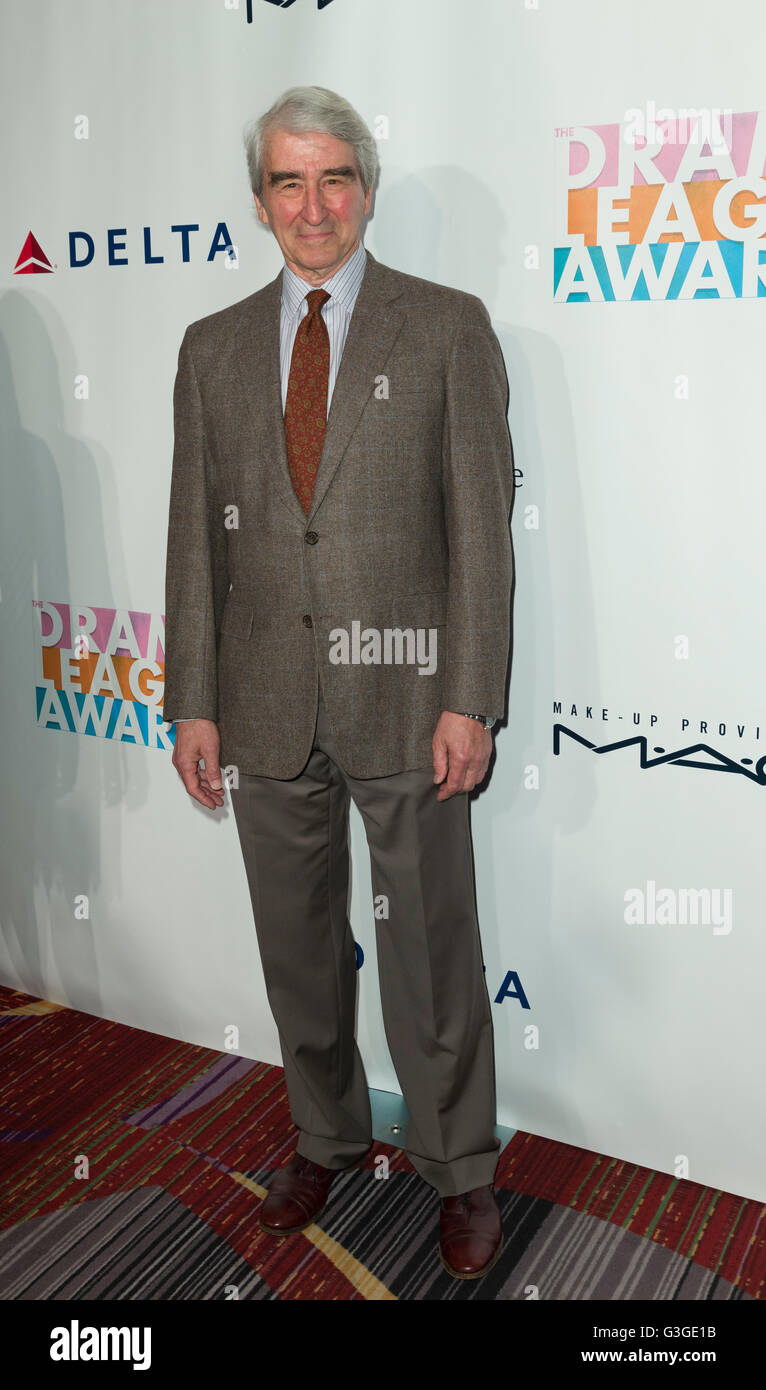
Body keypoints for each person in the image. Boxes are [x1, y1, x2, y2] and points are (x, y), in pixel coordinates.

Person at [163, 85, 515, 1280]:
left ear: (365, 186)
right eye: (286, 182)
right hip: (264, 699)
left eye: (333, 179)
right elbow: (191, 544)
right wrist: (193, 696)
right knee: (298, 951)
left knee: (428, 950)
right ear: (258, 199)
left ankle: (459, 1170)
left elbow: (481, 534)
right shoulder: (210, 348)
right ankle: (325, 1134)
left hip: (410, 701)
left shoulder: (448, 327)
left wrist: (470, 692)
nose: (312, 205)